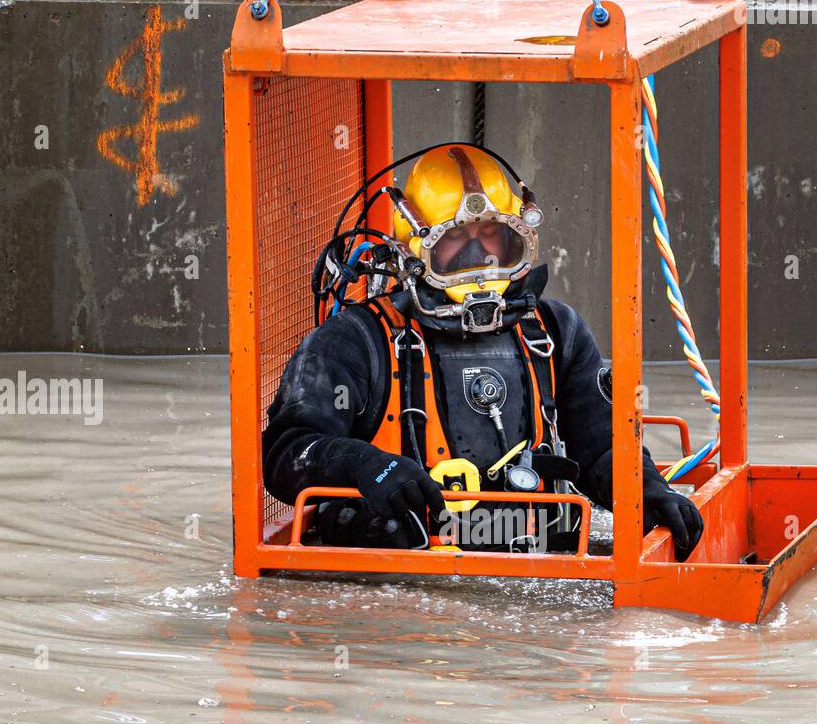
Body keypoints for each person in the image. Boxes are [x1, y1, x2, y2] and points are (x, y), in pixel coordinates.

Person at [262, 142, 704, 559]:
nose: (479, 254)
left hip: (541, 571)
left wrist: (648, 490)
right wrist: (363, 465)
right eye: (455, 240)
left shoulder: (554, 331)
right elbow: (286, 454)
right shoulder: (354, 340)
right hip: (406, 591)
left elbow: (601, 447)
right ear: (414, 248)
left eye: (492, 234)